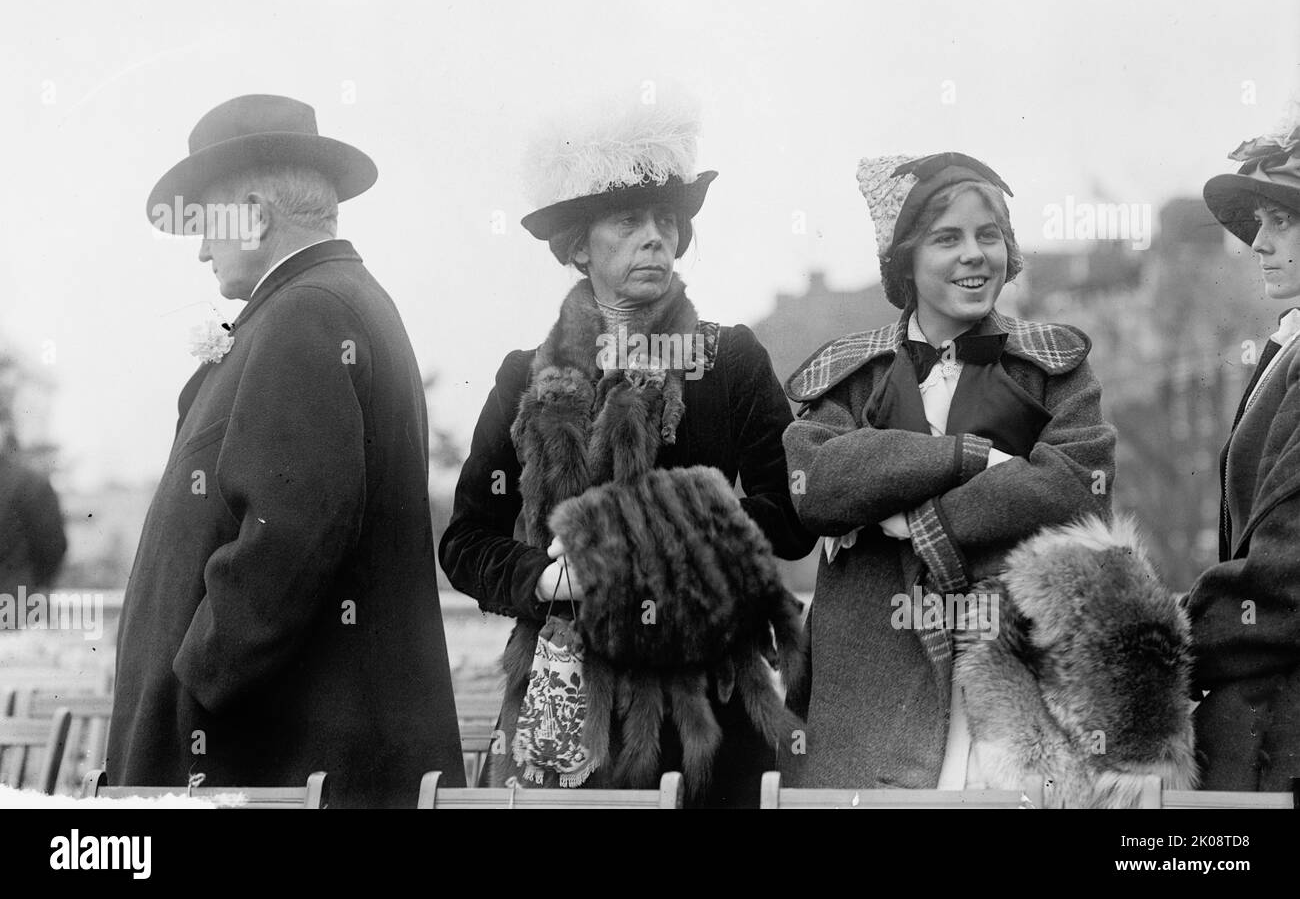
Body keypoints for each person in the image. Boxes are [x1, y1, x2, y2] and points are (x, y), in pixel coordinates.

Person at [438, 88, 814, 805]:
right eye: (628, 219)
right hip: (565, 714)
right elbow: (465, 540)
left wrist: (658, 542)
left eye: (666, 220)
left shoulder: (727, 361)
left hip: (710, 714)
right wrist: (548, 580)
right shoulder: (526, 378)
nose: (655, 237)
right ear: (578, 246)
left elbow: (792, 518)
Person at [108, 94, 463, 807]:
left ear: (255, 214)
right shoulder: (329, 301)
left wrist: (194, 683)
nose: (203, 249)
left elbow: (290, 533)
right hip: (290, 757)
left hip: (280, 763)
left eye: (206, 226)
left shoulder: (308, 311)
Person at [782, 151, 1116, 789]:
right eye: (946, 238)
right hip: (871, 697)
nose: (974, 254)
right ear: (905, 259)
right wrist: (968, 457)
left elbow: (1076, 490)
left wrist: (917, 521)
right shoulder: (852, 373)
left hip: (1017, 683)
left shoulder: (1055, 367)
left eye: (988, 235)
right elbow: (816, 481)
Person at [1186, 112, 1300, 791]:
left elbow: (1286, 578)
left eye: (1284, 221)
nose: (1259, 243)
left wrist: (1161, 653)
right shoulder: (1286, 346)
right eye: (1258, 220)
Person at [0, 422, 67, 600]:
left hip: (16, 605)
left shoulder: (30, 485)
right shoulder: (31, 484)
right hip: (17, 604)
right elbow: (53, 549)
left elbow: (52, 547)